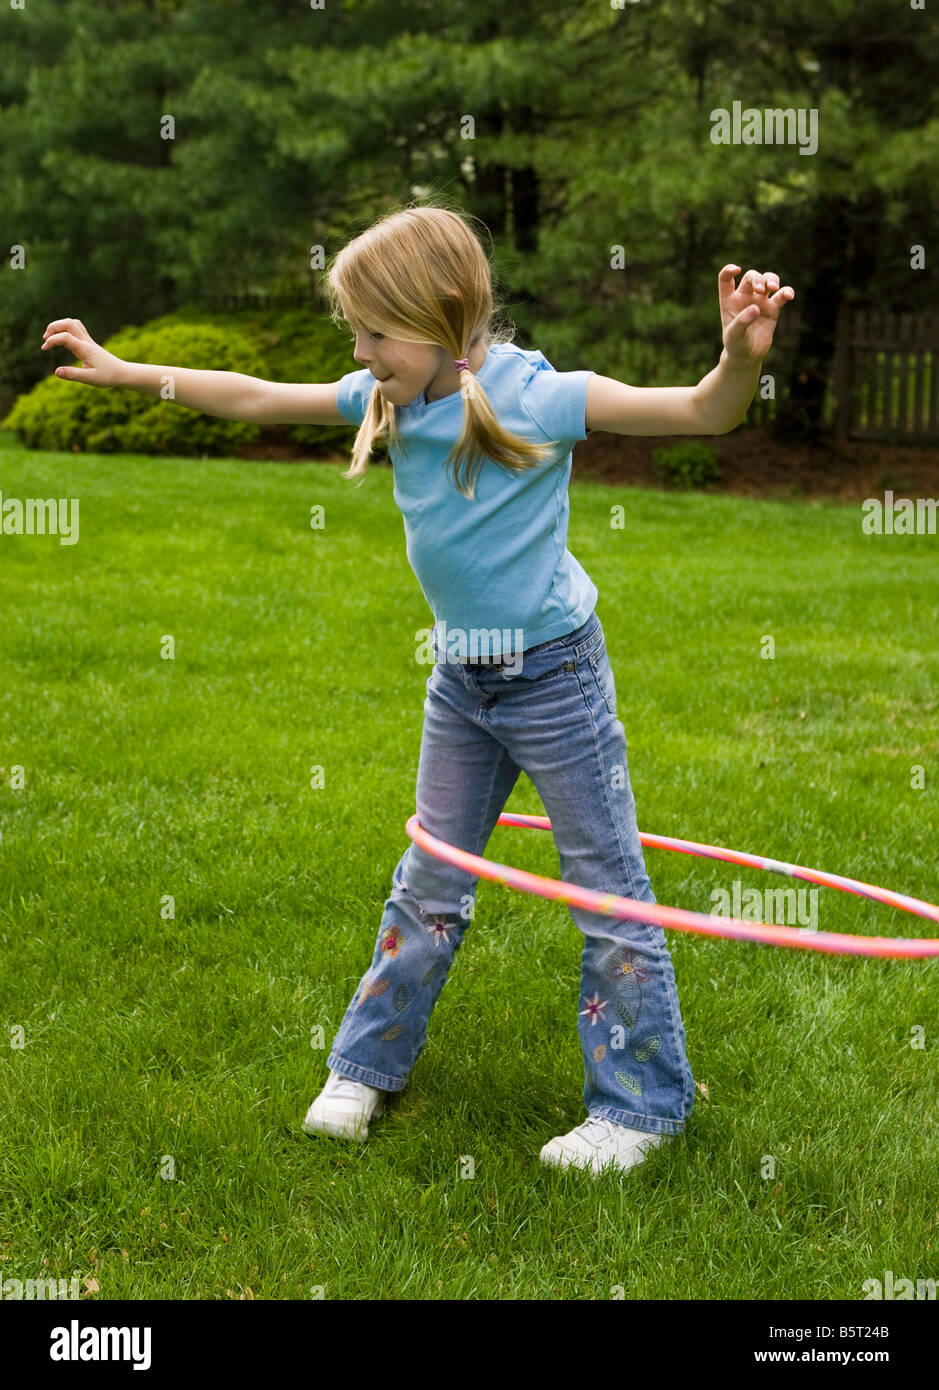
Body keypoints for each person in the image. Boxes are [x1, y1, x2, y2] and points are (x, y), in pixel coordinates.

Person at [40, 201, 793, 1176]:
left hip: (556, 676)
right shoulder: (391, 395)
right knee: (429, 880)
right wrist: (131, 372)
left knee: (607, 889)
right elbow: (259, 395)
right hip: (461, 682)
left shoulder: (541, 395)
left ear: (441, 315)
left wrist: (738, 356)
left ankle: (642, 1106)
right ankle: (366, 1063)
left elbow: (701, 412)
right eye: (354, 334)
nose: (358, 353)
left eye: (373, 332)